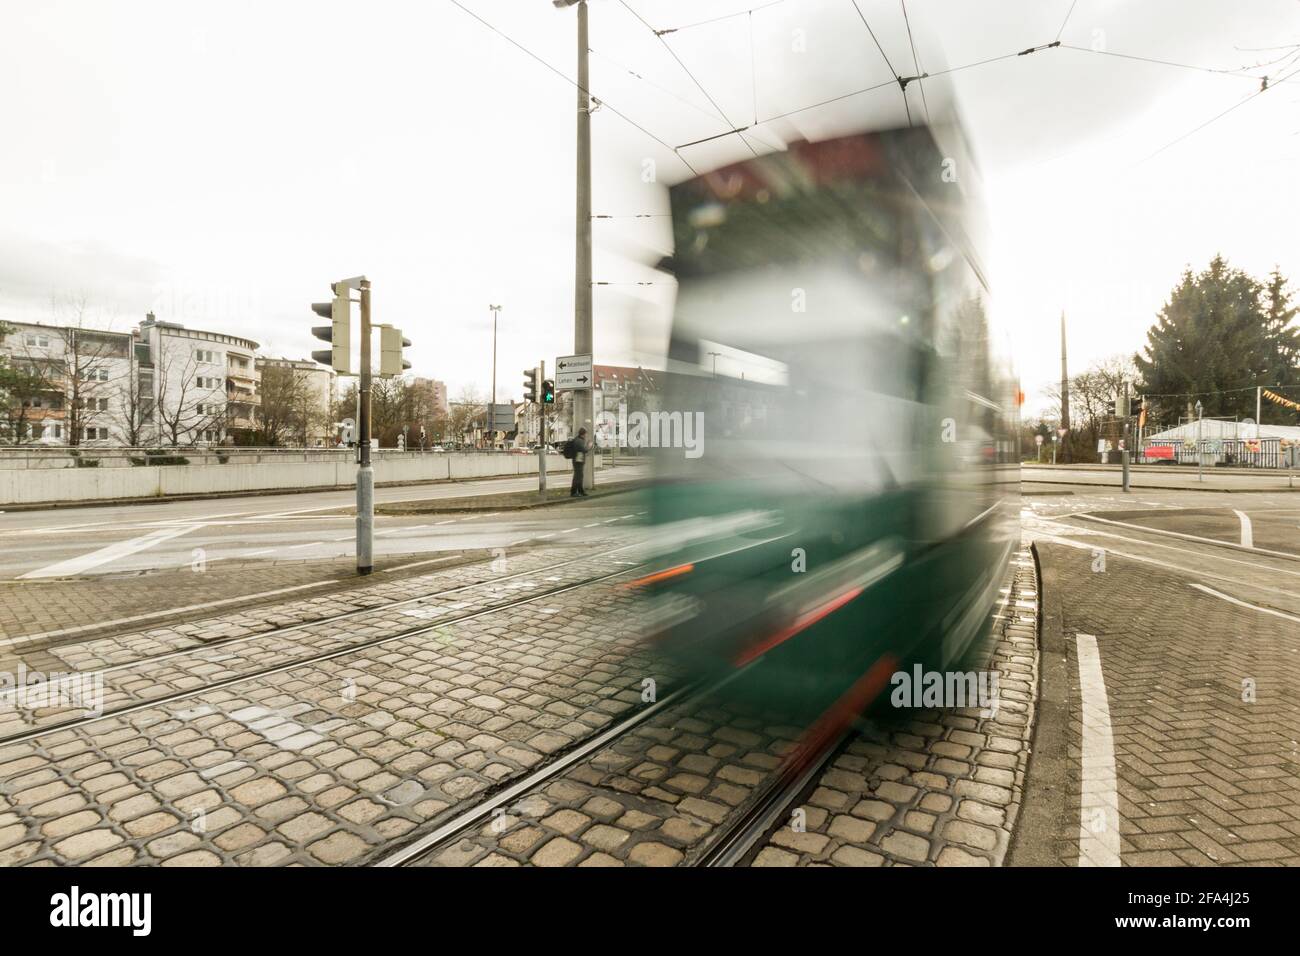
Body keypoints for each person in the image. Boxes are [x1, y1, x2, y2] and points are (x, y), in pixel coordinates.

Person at [570, 427, 590, 498]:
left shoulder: (578, 439)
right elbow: (584, 450)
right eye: (585, 434)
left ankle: (580, 491)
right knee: (577, 477)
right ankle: (574, 492)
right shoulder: (579, 441)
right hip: (578, 461)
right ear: (583, 434)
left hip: (578, 460)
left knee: (579, 476)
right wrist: (589, 446)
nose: (586, 435)